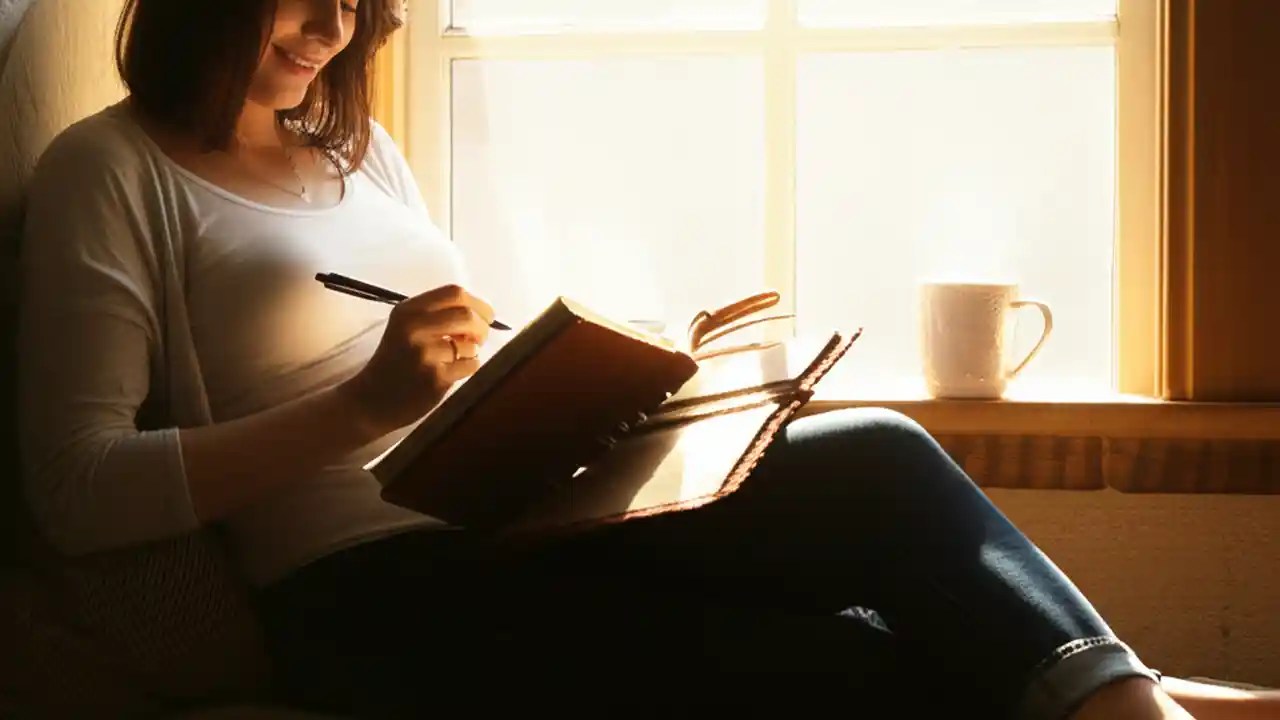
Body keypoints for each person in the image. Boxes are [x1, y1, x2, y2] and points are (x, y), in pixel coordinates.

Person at [15, 0, 1277, 717]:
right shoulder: (109, 170)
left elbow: (450, 364)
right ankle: (1141, 702)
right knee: (843, 656)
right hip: (377, 597)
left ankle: (1128, 703)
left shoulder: (357, 154)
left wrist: (596, 387)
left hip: (517, 521)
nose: (335, 28)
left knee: (878, 456)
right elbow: (77, 492)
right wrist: (364, 407)